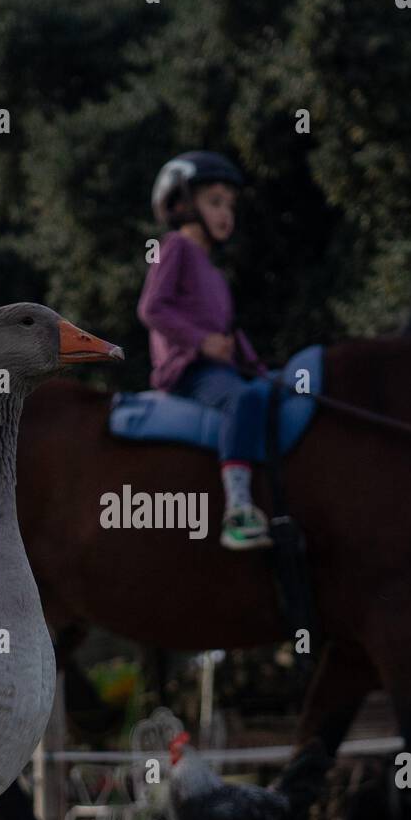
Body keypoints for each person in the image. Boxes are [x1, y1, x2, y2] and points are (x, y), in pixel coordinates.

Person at [137, 151, 274, 550]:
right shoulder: (175, 246)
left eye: (230, 205)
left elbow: (229, 333)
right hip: (189, 370)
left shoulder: (214, 272)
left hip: (221, 369)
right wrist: (200, 341)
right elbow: (152, 307)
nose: (226, 213)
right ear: (181, 204)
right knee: (242, 399)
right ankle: (238, 510)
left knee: (267, 395)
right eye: (215, 201)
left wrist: (262, 367)